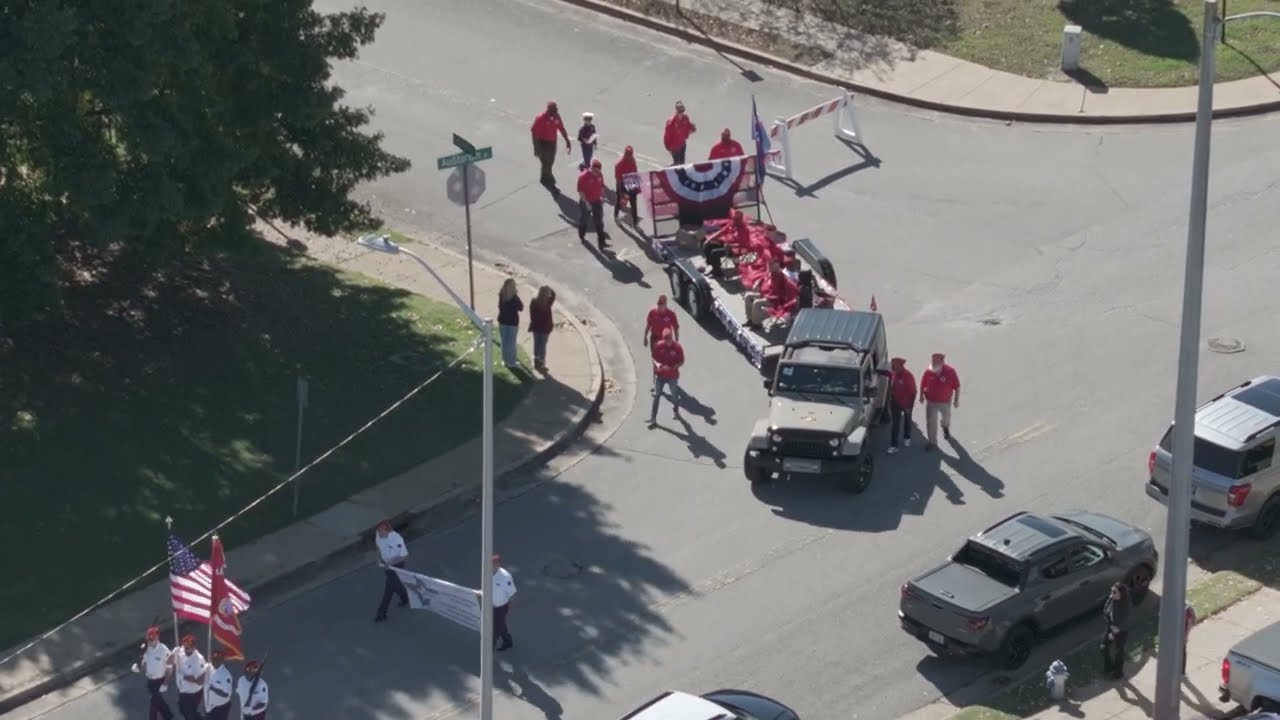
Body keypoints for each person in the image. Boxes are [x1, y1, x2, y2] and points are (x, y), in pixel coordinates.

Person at [919, 352, 960, 451]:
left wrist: (956, 400)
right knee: (930, 422)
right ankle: (932, 442)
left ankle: (945, 427)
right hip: (931, 402)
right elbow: (923, 383)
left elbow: (957, 387)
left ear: (942, 362)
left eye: (936, 362)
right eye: (932, 362)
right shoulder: (928, 371)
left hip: (945, 402)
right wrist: (921, 396)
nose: (933, 364)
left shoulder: (950, 372)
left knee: (946, 418)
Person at [131, 626, 174, 720]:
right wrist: (138, 668)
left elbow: (170, 668)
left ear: (158, 637)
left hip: (160, 681)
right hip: (150, 681)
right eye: (149, 639)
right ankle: (168, 716)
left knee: (153, 706)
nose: (150, 641)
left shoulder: (164, 651)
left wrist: (166, 684)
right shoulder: (145, 649)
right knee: (159, 702)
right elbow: (144, 664)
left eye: (152, 639)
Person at [373, 520, 409, 623]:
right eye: (378, 531)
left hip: (396, 565)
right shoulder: (378, 534)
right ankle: (405, 598)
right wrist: (379, 558)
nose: (379, 534)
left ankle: (381, 613)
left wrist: (390, 563)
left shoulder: (397, 539)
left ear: (388, 531)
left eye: (382, 532)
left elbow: (404, 556)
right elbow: (378, 548)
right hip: (386, 564)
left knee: (389, 588)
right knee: (393, 585)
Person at [530, 101, 571, 188]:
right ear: (549, 110)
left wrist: (567, 140)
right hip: (542, 142)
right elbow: (534, 132)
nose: (555, 112)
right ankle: (546, 178)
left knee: (551, 161)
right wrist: (536, 147)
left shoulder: (556, 116)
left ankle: (546, 175)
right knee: (545, 162)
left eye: (556, 110)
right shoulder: (540, 118)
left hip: (552, 143)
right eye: (554, 111)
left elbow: (561, 128)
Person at [649, 327, 685, 424]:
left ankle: (676, 411)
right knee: (657, 395)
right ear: (663, 339)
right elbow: (653, 358)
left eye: (669, 339)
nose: (668, 341)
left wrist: (673, 367)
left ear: (672, 338)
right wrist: (658, 365)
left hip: (672, 376)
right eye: (666, 339)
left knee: (674, 396)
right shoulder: (658, 346)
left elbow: (682, 361)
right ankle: (653, 418)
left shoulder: (677, 347)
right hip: (660, 375)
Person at [170, 635, 206, 720]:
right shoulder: (180, 653)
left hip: (193, 694)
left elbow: (201, 681)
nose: (186, 650)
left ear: (194, 647)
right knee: (183, 710)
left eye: (188, 648)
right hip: (182, 691)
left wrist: (192, 679)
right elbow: (168, 662)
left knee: (189, 715)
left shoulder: (199, 659)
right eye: (185, 647)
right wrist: (174, 653)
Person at [1101, 582, 1131, 680]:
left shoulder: (1126, 604)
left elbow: (1124, 620)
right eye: (1111, 591)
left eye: (1114, 592)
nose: (1111, 593)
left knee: (1118, 652)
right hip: (1111, 627)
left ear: (1121, 593)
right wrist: (1110, 627)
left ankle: (1118, 673)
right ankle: (1109, 667)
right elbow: (1105, 611)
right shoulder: (1111, 599)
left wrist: (1114, 632)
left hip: (1121, 631)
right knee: (1103, 647)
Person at [887, 357, 917, 454]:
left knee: (907, 421)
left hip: (907, 404)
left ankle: (907, 437)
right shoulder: (893, 373)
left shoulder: (908, 376)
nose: (892, 367)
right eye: (892, 365)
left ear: (900, 365)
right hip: (895, 403)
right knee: (895, 424)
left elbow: (913, 392)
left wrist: (909, 407)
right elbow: (887, 373)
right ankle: (894, 445)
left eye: (894, 365)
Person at [577, 158, 608, 248]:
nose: (597, 173)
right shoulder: (583, 177)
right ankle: (582, 236)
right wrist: (586, 203)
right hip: (586, 202)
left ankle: (602, 242)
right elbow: (581, 192)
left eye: (598, 171)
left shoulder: (599, 175)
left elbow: (602, 186)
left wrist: (603, 196)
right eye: (595, 171)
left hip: (597, 201)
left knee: (599, 222)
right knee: (584, 220)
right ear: (591, 168)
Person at [528, 285, 556, 372]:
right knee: (543, 346)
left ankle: (536, 361)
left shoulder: (534, 301)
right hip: (545, 329)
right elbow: (554, 295)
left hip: (536, 327)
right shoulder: (547, 302)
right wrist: (550, 288)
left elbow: (531, 314)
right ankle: (541, 363)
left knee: (536, 344)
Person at [492, 554, 517, 652]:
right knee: (500, 625)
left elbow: (512, 593)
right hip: (489, 605)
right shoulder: (487, 572)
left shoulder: (505, 577)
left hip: (501, 607)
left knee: (494, 631)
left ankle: (489, 651)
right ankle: (507, 640)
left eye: (493, 564)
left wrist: (508, 608)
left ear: (498, 564)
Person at [497, 278, 524, 369]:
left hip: (502, 321)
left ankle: (505, 360)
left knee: (504, 342)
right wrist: (516, 295)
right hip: (512, 323)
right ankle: (512, 362)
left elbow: (500, 307)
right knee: (511, 343)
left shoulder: (501, 295)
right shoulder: (514, 297)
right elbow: (521, 307)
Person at [202, 650, 234, 720]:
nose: (214, 661)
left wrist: (213, 689)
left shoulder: (225, 675)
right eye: (212, 658)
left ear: (221, 660)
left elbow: (226, 694)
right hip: (208, 706)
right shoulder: (208, 667)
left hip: (220, 708)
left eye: (216, 659)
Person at [663, 101, 697, 165]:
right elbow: (666, 137)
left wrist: (693, 128)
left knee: (682, 163)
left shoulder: (685, 118)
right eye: (679, 112)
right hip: (674, 147)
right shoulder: (671, 122)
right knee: (677, 164)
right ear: (676, 111)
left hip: (682, 144)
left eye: (682, 111)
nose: (681, 114)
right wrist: (668, 148)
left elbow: (689, 127)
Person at [613, 145, 640, 224]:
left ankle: (635, 222)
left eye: (631, 155)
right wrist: (620, 193)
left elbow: (635, 171)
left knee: (633, 203)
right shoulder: (619, 165)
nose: (630, 157)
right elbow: (618, 180)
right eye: (628, 155)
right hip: (622, 184)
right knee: (620, 201)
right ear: (625, 154)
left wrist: (636, 186)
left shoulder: (632, 159)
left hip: (631, 182)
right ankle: (616, 215)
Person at [1183, 601, 1197, 676]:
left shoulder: (1187, 609)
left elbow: (1189, 624)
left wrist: (1186, 637)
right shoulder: (1186, 607)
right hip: (1179, 632)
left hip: (1182, 633)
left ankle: (1182, 671)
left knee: (1182, 652)